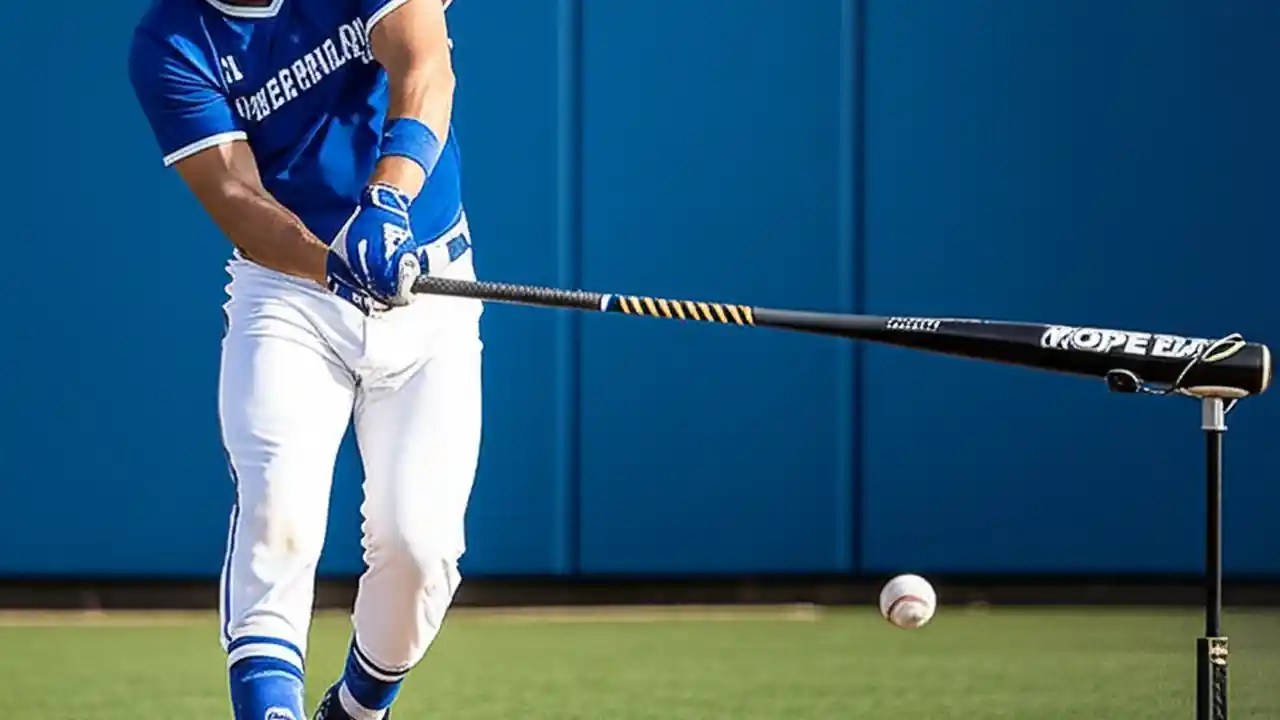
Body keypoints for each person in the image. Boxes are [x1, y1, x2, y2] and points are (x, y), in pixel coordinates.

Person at [128, 1, 479, 718]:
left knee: (421, 551)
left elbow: (424, 62)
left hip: (430, 283)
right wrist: (332, 263)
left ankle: (356, 709)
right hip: (289, 295)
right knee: (277, 519)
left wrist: (388, 200)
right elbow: (233, 194)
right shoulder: (170, 41)